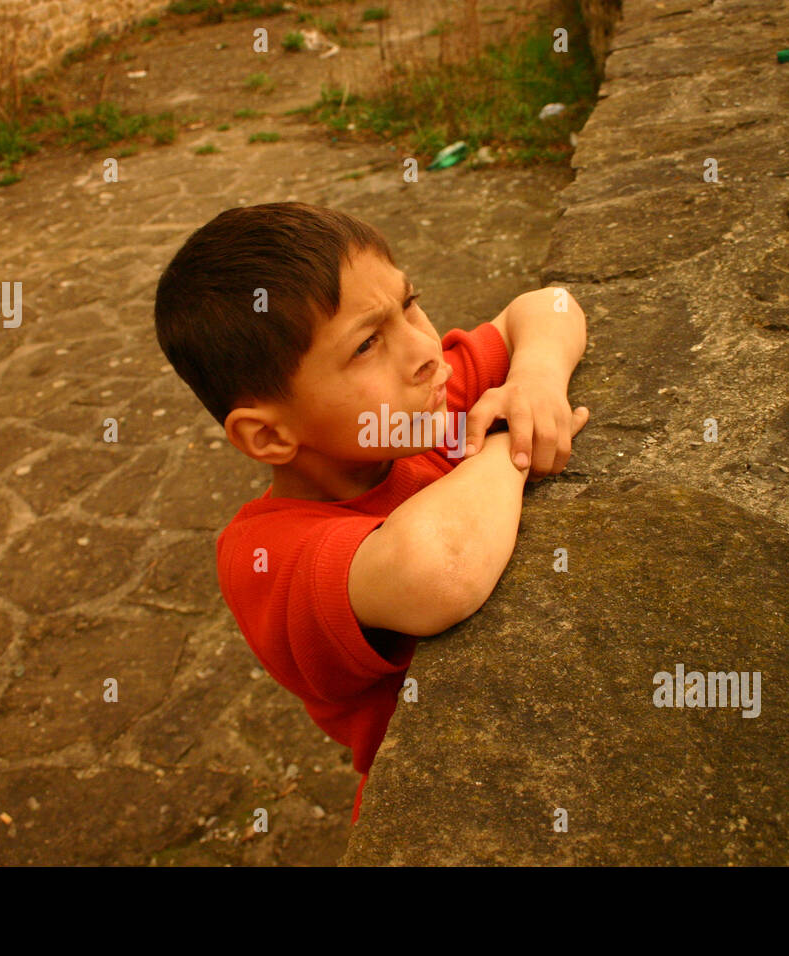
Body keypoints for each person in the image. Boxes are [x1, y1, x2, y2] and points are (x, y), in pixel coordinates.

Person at [154, 201, 589, 825]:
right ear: (270, 436)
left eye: (409, 303)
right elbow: (436, 570)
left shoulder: (418, 416)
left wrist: (536, 380)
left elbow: (550, 306)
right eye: (366, 345)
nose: (424, 350)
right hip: (438, 807)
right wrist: (506, 444)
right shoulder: (267, 558)